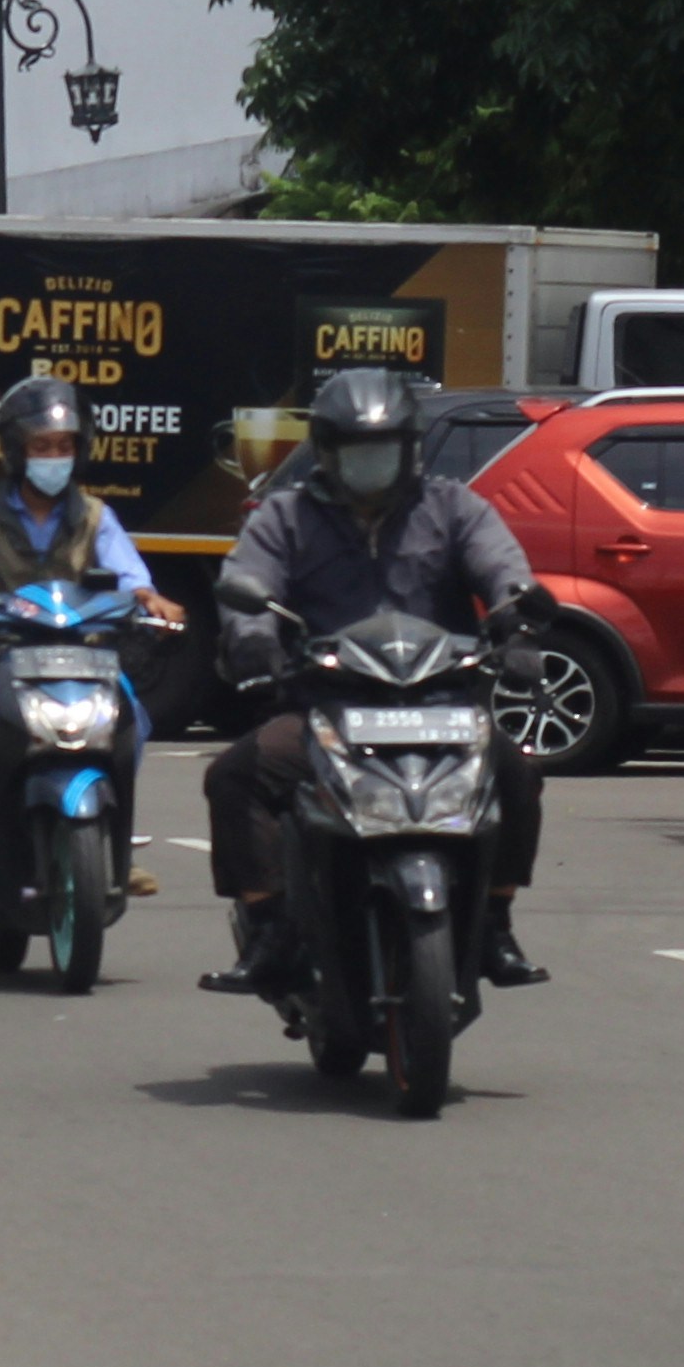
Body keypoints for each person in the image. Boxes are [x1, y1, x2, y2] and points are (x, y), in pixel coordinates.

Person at [203, 366, 554, 992]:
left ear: (410, 451)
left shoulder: (453, 507)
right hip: (324, 705)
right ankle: (269, 929)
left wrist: (518, 625)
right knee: (236, 775)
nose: (374, 466)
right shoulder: (286, 517)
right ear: (331, 454)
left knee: (519, 771)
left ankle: (495, 921)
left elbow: (504, 570)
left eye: (385, 451)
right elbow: (247, 586)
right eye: (360, 452)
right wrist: (253, 642)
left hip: (444, 703)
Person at [0, 376, 180, 911]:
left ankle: (114, 840)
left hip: (83, 657)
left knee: (132, 717)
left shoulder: (97, 517)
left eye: (64, 447)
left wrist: (151, 599)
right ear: (17, 450)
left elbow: (132, 577)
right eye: (42, 447)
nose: (54, 458)